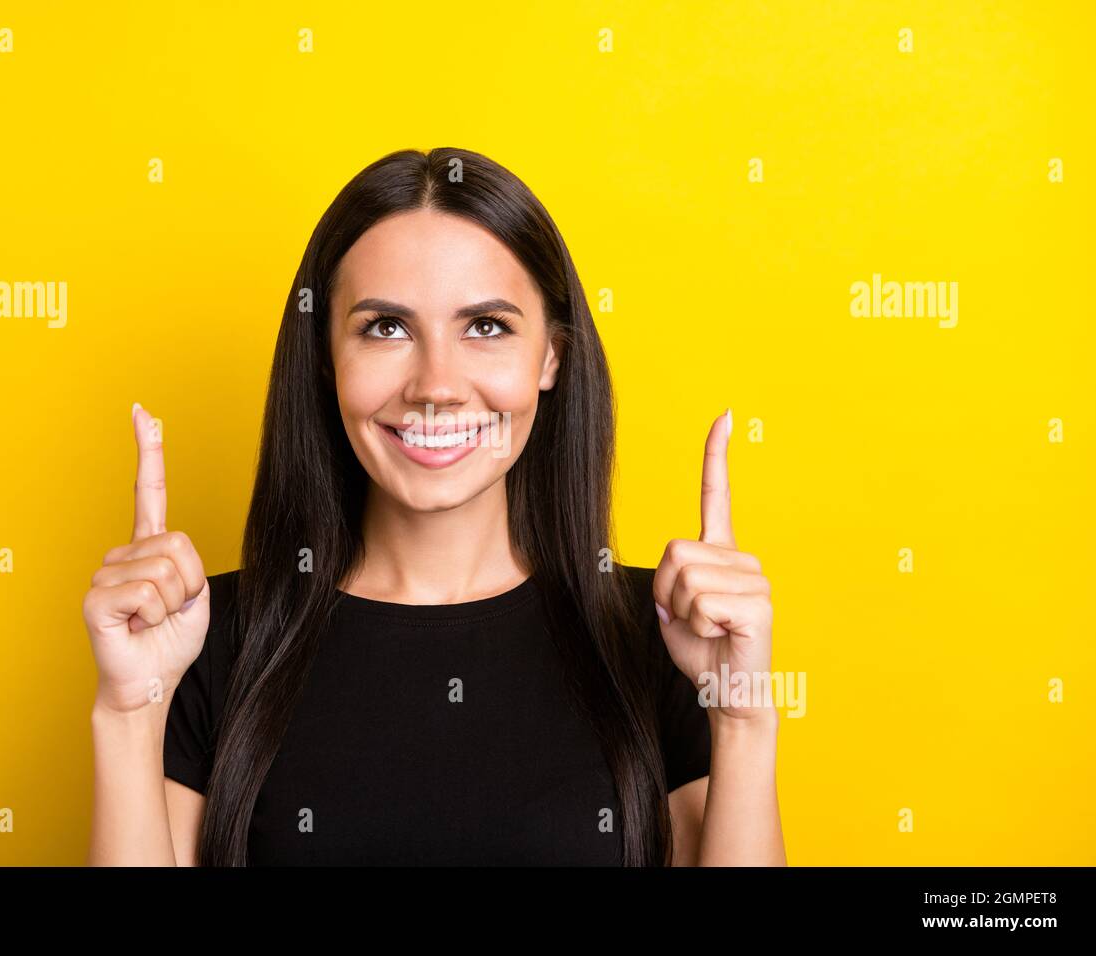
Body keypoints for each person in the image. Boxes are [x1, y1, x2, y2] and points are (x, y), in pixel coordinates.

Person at [83, 147, 784, 866]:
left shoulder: (664, 639)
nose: (436, 385)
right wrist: (129, 713)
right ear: (326, 358)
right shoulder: (206, 641)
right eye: (386, 327)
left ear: (551, 358)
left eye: (486, 326)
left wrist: (743, 718)